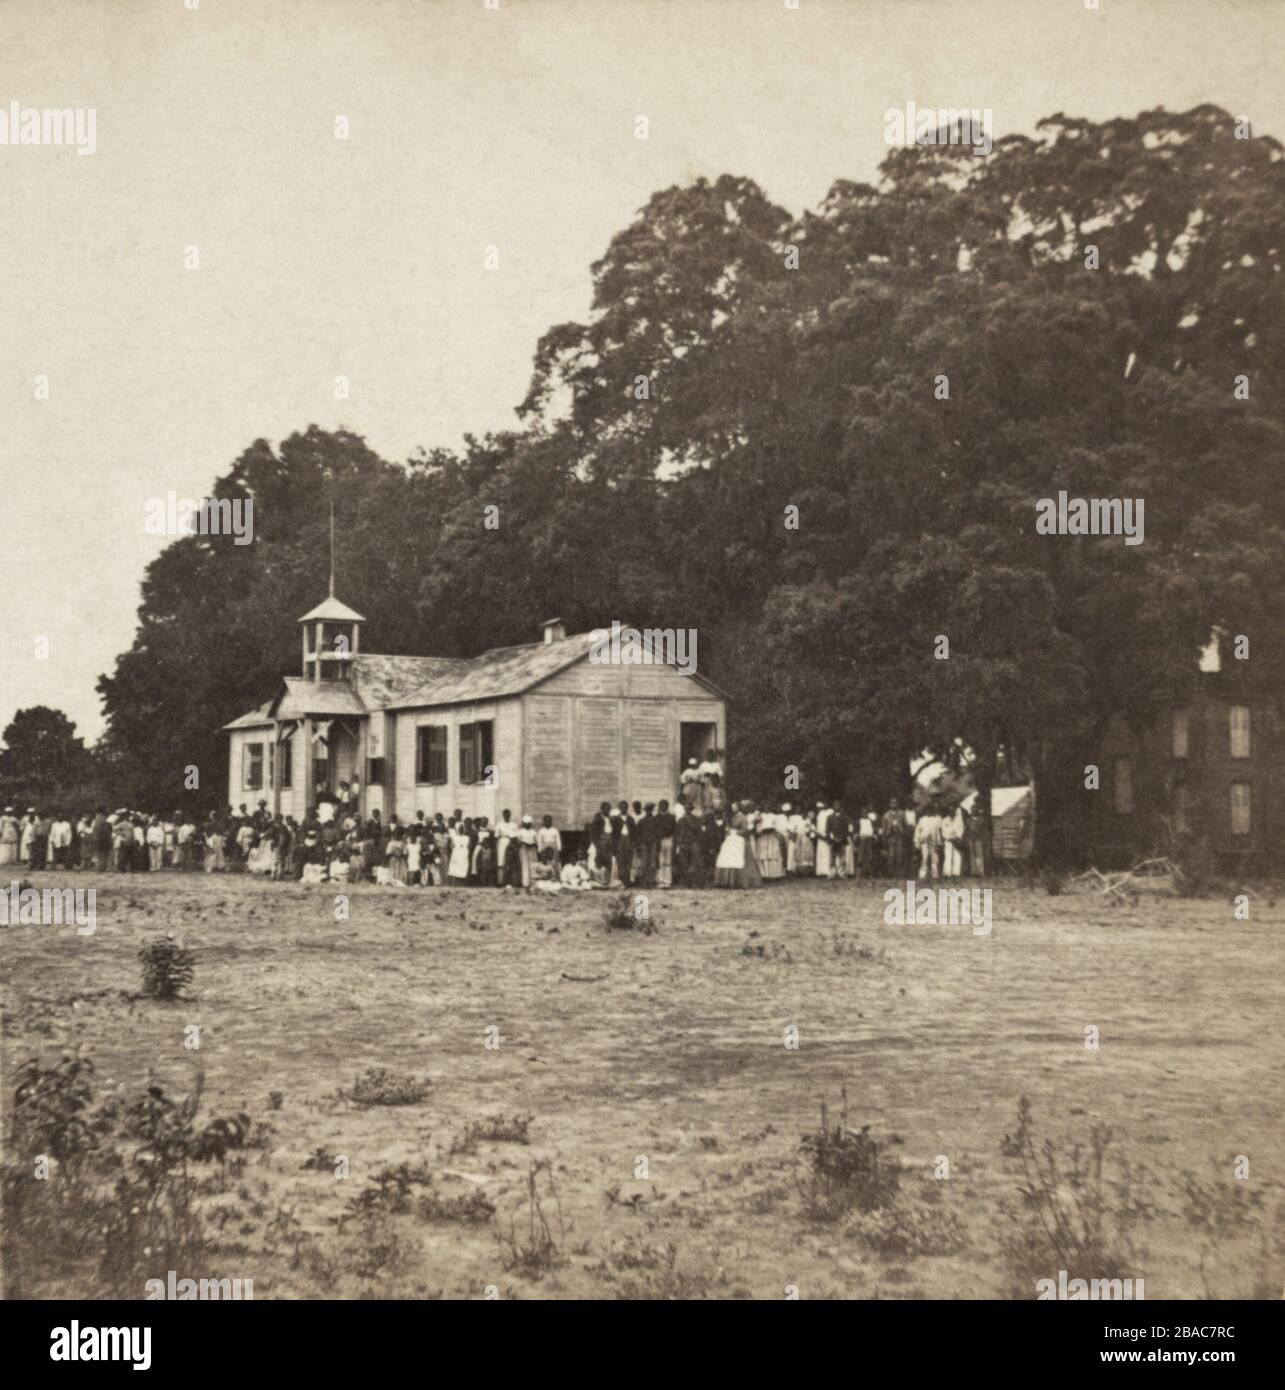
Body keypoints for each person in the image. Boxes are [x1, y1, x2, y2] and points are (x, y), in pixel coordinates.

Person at [714, 804, 762, 889]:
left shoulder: (742, 818)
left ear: (739, 808)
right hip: (733, 840)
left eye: (735, 807)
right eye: (732, 807)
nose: (733, 809)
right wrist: (729, 830)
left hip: (740, 840)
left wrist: (734, 831)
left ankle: (740, 881)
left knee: (740, 859)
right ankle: (728, 880)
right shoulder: (734, 817)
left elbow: (745, 830)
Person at [914, 802, 943, 880]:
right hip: (924, 841)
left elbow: (937, 832)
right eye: (928, 810)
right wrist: (917, 842)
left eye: (931, 810)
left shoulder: (935, 820)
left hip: (933, 841)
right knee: (925, 857)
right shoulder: (922, 819)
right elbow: (917, 831)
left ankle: (935, 874)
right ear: (925, 811)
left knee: (934, 858)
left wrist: (939, 842)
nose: (929, 811)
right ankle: (922, 874)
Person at [880, 799, 908, 877]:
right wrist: (884, 838)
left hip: (899, 836)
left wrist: (902, 832)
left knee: (899, 854)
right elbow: (884, 828)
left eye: (895, 803)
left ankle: (899, 873)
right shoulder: (886, 815)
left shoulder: (902, 814)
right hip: (890, 836)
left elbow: (905, 825)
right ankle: (891, 873)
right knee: (891, 855)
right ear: (890, 804)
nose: (894, 804)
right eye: (892, 803)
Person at [654, 799, 676, 888]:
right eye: (661, 805)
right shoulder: (657, 817)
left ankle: (668, 881)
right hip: (660, 840)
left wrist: (673, 839)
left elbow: (674, 829)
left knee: (668, 861)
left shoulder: (671, 817)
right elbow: (655, 830)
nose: (663, 807)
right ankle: (660, 881)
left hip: (669, 839)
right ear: (659, 807)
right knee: (661, 861)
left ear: (667, 806)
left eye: (665, 805)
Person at [941, 800, 966, 878]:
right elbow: (944, 831)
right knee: (948, 855)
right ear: (948, 812)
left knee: (957, 855)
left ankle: (956, 872)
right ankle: (947, 873)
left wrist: (958, 837)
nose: (951, 812)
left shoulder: (959, 819)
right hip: (948, 840)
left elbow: (961, 829)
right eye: (950, 811)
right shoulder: (944, 820)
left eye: (953, 810)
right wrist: (949, 837)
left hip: (957, 839)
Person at [857, 807, 877, 878]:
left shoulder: (870, 821)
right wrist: (859, 837)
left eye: (866, 813)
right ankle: (860, 874)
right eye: (863, 813)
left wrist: (872, 837)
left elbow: (873, 831)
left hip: (869, 840)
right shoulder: (859, 821)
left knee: (869, 856)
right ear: (861, 814)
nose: (864, 814)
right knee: (861, 857)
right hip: (862, 840)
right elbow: (857, 832)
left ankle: (869, 873)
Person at [815, 802, 833, 878]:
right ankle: (820, 872)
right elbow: (818, 824)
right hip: (820, 835)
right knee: (821, 853)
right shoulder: (820, 813)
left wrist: (828, 834)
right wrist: (818, 833)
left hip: (828, 834)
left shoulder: (831, 811)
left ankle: (828, 871)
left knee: (828, 853)